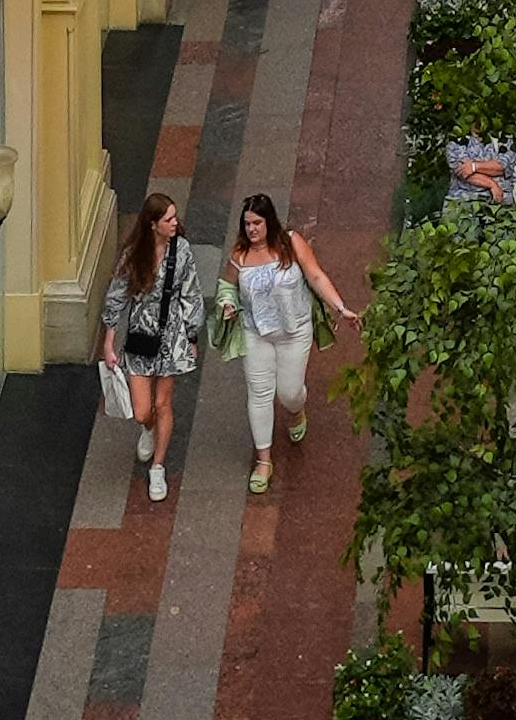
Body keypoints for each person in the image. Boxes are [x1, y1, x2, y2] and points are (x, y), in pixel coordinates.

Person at [222, 190, 349, 485]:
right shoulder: (239, 256)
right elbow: (226, 286)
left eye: (257, 223)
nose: (252, 229)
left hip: (294, 331)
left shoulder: (291, 243)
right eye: (247, 224)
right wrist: (227, 303)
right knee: (259, 394)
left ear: (269, 222)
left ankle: (297, 410)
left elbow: (316, 276)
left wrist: (339, 308)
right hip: (257, 334)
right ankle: (263, 461)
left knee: (289, 392)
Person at [101, 188, 204, 502]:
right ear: (153, 224)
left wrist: (191, 334)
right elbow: (117, 296)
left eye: (175, 217)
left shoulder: (181, 250)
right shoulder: (134, 255)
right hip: (140, 336)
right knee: (142, 410)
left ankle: (158, 467)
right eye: (169, 219)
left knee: (163, 404)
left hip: (170, 335)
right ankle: (148, 428)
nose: (175, 223)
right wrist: (109, 343)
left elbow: (191, 293)